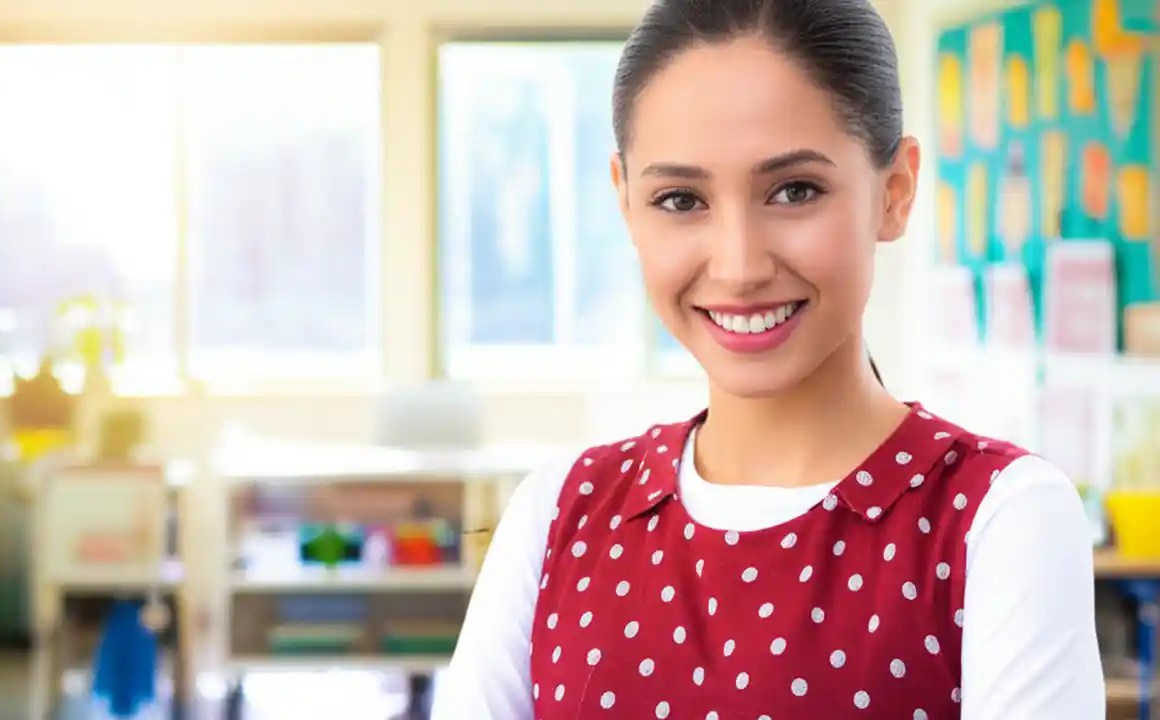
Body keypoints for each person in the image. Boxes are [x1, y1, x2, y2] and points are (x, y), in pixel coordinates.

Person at [432, 0, 1105, 717]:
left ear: (895, 193)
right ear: (626, 203)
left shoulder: (1000, 521)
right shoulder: (556, 513)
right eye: (681, 199)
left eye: (794, 191)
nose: (739, 266)